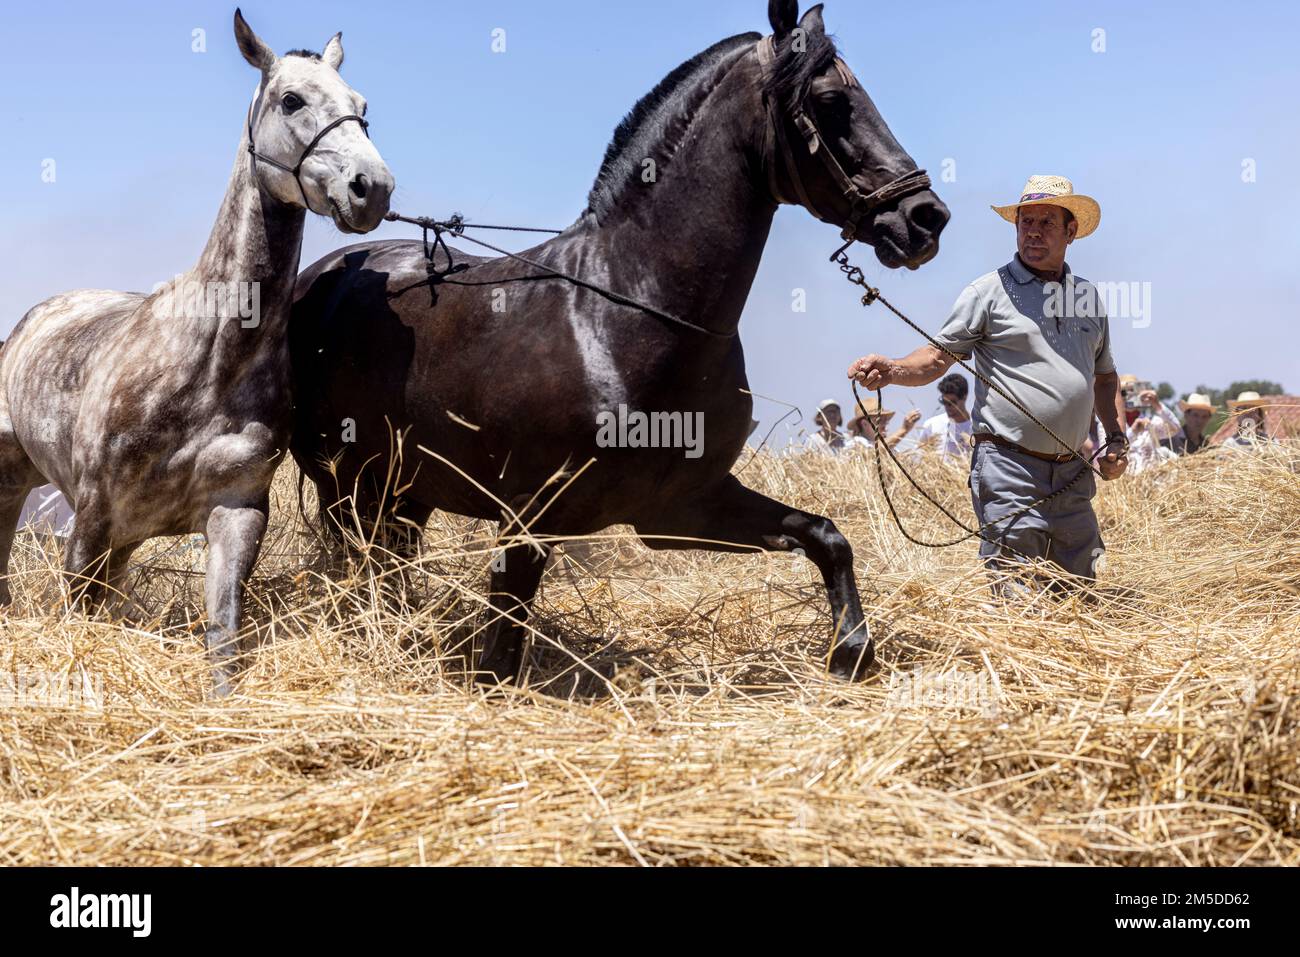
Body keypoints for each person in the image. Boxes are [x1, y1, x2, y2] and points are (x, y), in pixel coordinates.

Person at [847, 174, 1128, 585]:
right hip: (1009, 467)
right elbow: (937, 357)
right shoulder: (988, 292)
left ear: (1071, 231)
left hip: (1073, 474)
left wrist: (1117, 438)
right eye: (1025, 222)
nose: (1033, 232)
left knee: (1078, 593)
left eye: (1046, 223)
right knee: (1017, 592)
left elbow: (1105, 378)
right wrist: (892, 370)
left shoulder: (1086, 296)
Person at [912, 373, 974, 458]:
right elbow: (918, 457)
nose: (947, 407)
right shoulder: (932, 424)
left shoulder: (977, 427)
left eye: (952, 403)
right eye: (944, 402)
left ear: (964, 397)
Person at [1125, 387, 1180, 473]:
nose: (1129, 396)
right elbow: (1110, 451)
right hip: (1125, 482)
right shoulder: (1108, 424)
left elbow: (1174, 429)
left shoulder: (1149, 422)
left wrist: (1157, 405)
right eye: (1123, 393)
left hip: (1151, 481)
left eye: (1133, 392)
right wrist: (1132, 432)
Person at [845, 397, 920, 450]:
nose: (885, 424)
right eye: (879, 420)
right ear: (864, 424)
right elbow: (876, 453)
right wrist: (904, 429)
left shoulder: (893, 449)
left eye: (886, 420)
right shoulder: (855, 445)